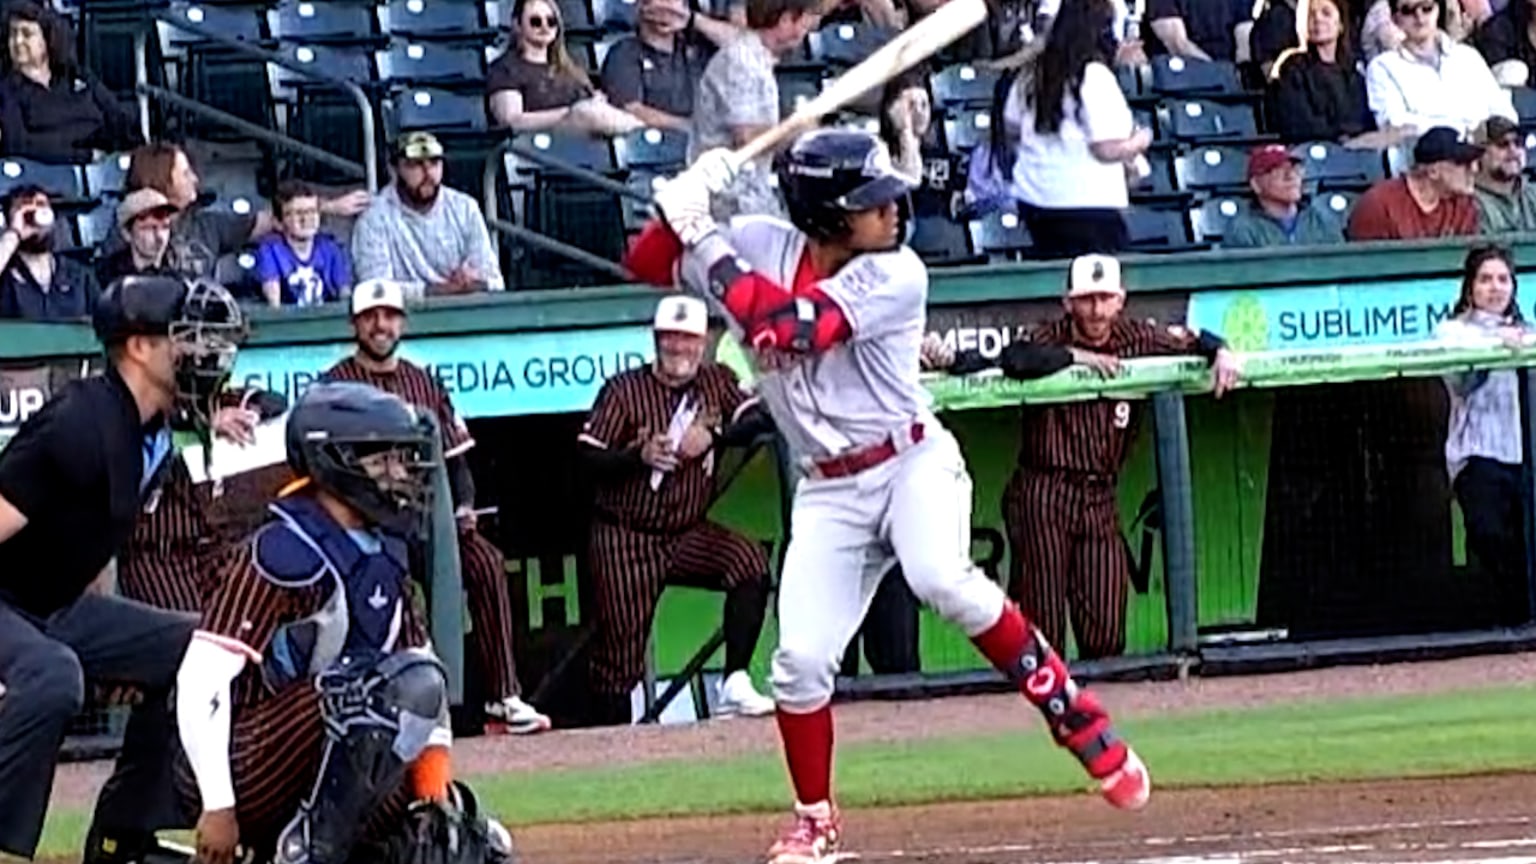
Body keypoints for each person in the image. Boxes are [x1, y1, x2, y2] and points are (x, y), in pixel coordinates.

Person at [628, 128, 1151, 864]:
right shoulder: (757, 241)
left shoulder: (897, 273)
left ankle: (1072, 713)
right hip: (828, 489)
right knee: (800, 665)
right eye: (870, 205)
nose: (892, 212)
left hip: (909, 461)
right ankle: (815, 819)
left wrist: (702, 235)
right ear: (826, 217)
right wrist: (681, 203)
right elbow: (645, 262)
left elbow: (787, 329)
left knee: (940, 576)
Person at [173, 381, 515, 864]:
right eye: (383, 460)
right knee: (361, 690)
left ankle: (349, 844)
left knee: (458, 841)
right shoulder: (282, 550)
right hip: (239, 762)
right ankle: (307, 852)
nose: (401, 473)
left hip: (324, 765)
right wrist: (218, 806)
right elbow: (199, 681)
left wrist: (431, 795)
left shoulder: (385, 547)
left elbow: (423, 676)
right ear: (337, 461)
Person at [0, 274, 246, 863]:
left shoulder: (154, 422)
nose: (200, 351)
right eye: (183, 337)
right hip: (9, 606)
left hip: (48, 607)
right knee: (54, 676)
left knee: (202, 647)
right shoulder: (79, 423)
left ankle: (120, 835)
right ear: (138, 347)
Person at [943, 254, 1240, 659]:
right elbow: (1016, 358)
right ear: (1069, 302)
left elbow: (1193, 339)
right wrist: (1077, 357)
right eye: (1086, 300)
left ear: (1120, 300)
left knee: (1105, 631)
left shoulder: (1137, 336)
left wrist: (1221, 350)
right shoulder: (1051, 335)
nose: (1096, 311)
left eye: (1104, 299)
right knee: (1042, 630)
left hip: (1100, 492)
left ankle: (1102, 713)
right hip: (1044, 489)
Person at [321, 278, 550, 734]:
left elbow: (456, 461)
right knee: (394, 594)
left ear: (402, 322)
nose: (380, 324)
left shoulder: (423, 381)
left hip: (427, 518)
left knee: (485, 563)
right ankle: (399, 708)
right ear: (354, 324)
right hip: (369, 524)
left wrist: (463, 507)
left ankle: (503, 697)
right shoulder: (336, 384)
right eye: (370, 316)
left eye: (388, 315)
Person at [576, 294, 776, 724]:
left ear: (702, 343)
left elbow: (763, 418)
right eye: (671, 339)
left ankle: (735, 681)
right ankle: (601, 750)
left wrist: (715, 435)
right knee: (619, 661)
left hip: (686, 530)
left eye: (688, 340)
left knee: (750, 564)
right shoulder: (624, 389)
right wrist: (638, 455)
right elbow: (587, 458)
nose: (679, 349)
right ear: (656, 341)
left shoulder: (715, 381)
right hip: (625, 534)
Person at [1003, 0, 1151, 258]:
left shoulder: (1032, 72)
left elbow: (1011, 126)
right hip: (1090, 208)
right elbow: (1105, 148)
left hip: (1036, 202)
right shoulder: (1094, 75)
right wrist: (1141, 140)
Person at [1435, 245, 1532, 625]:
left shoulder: (1527, 331)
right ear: (1470, 286)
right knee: (1487, 532)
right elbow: (1462, 384)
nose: (1495, 288)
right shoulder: (1452, 331)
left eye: (1503, 279)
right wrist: (1496, 348)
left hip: (1525, 455)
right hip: (1476, 453)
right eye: (1486, 279)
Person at [123, 143, 370, 282]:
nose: (196, 179)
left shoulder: (208, 225)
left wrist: (329, 207)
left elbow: (273, 219)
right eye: (185, 174)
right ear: (162, 180)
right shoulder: (125, 231)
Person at [690, 0, 824, 222]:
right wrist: (798, 129)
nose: (808, 28)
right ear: (785, 20)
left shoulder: (758, 58)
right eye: (803, 19)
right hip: (727, 205)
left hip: (750, 196)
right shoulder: (740, 61)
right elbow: (748, 138)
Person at [351, 132, 506, 296]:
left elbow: (496, 281)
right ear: (394, 169)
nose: (427, 172)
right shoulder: (374, 217)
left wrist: (473, 282)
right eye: (415, 164)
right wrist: (438, 290)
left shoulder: (465, 208)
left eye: (434, 163)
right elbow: (376, 290)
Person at [0, 1, 142, 162]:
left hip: (105, 166)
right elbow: (18, 145)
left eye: (27, 34)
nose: (18, 41)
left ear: (47, 38)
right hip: (48, 176)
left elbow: (118, 118)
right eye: (13, 34)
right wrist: (84, 155)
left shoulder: (79, 77)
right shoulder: (7, 90)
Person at [487, 0, 644, 135]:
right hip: (538, 145)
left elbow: (594, 103)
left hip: (587, 143)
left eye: (551, 21)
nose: (545, 27)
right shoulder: (505, 68)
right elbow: (511, 120)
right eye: (535, 21)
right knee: (585, 113)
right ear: (517, 25)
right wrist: (569, 113)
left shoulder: (571, 69)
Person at [1364, 0, 1513, 137]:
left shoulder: (1467, 55)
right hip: (1430, 159)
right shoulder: (1382, 66)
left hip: (1485, 153)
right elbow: (1394, 124)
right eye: (1408, 10)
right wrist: (1465, 129)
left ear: (1438, 10)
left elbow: (1504, 111)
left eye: (1427, 8)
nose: (1419, 17)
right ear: (1395, 18)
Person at [598, 0, 728, 132]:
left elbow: (742, 47)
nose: (671, 7)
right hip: (656, 146)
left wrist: (692, 20)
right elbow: (630, 110)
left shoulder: (699, 47)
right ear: (643, 5)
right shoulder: (624, 52)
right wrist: (691, 128)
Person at [1267, 0, 1375, 144]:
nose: (1318, 19)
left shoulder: (1354, 71)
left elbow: (1362, 120)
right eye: (1311, 15)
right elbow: (1296, 123)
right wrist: (1338, 134)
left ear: (1341, 24)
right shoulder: (1291, 68)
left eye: (1326, 13)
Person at [1348, 126, 1482, 240]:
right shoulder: (1380, 204)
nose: (1474, 169)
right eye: (1463, 163)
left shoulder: (1465, 206)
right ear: (1433, 172)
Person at [0, 184, 101, 321]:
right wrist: (15, 233)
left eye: (42, 205)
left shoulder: (80, 277)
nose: (35, 211)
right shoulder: (5, 275)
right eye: (23, 207)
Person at [1223, 145, 1347, 248]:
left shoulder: (1321, 221)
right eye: (1277, 171)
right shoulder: (1243, 229)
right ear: (1256, 184)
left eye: (1294, 169)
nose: (1290, 176)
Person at [256, 180, 352, 308]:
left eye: (312, 211)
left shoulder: (331, 248)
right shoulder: (270, 250)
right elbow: (274, 303)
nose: (306, 219)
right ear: (278, 222)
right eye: (297, 213)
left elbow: (344, 295)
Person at [96, 188, 178, 286]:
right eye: (149, 228)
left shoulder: (177, 272)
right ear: (127, 233)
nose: (160, 237)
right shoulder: (105, 277)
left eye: (165, 227)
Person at [1472, 115, 1536, 232]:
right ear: (1480, 153)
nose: (1513, 150)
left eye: (1518, 142)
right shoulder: (1470, 204)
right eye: (1502, 144)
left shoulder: (1532, 194)